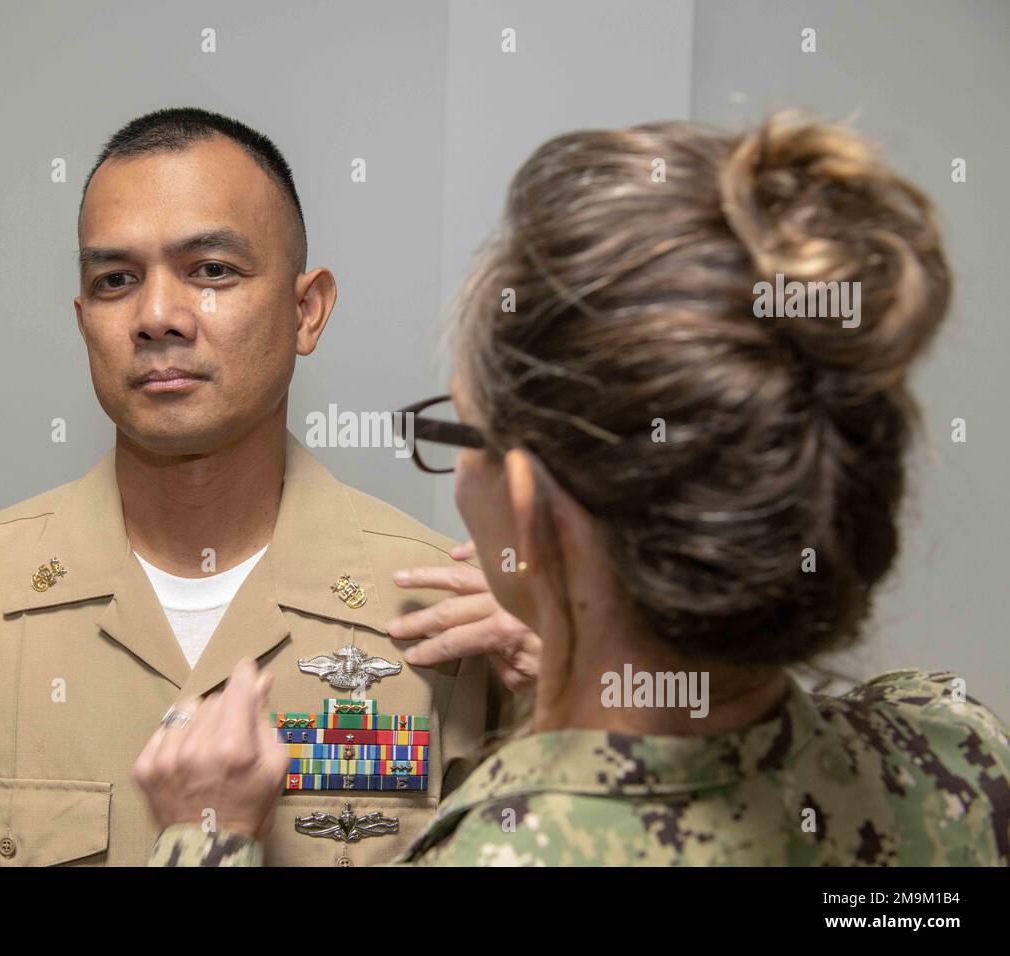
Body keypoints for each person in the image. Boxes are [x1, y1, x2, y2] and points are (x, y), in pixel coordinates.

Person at [135, 112, 1010, 866]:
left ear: (528, 505)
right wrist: (592, 632)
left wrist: (204, 833)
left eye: (460, 431)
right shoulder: (959, 759)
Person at [0, 107, 529, 867]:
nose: (156, 316)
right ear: (84, 320)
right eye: (116, 281)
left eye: (212, 271)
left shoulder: (442, 621)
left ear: (305, 310)